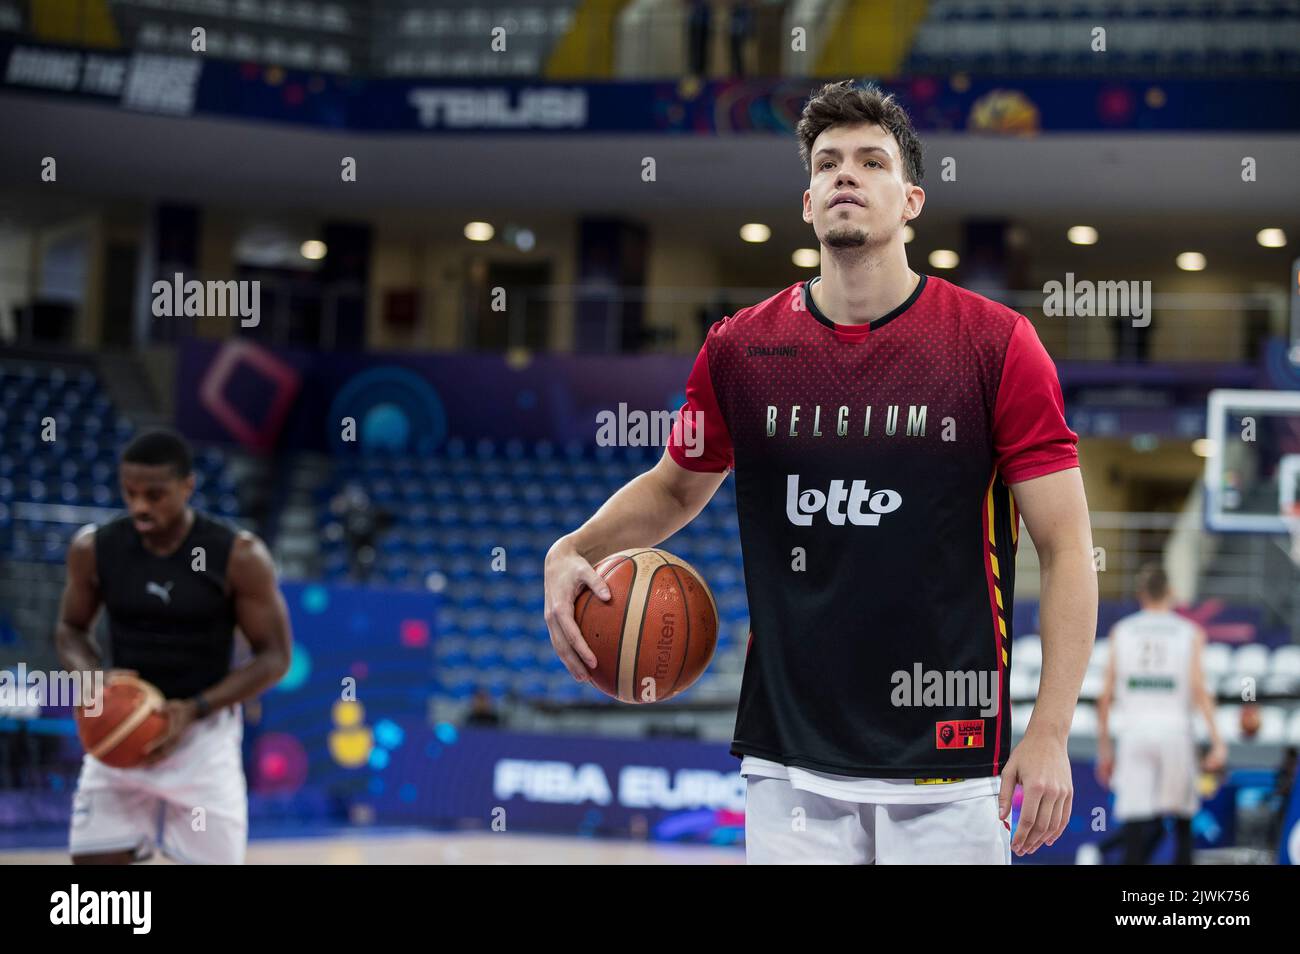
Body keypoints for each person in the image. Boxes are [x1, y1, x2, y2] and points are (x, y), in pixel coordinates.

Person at [545, 81, 1097, 863]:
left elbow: (1069, 545)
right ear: (806, 203)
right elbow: (675, 486)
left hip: (950, 763)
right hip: (789, 767)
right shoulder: (740, 350)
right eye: (828, 162)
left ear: (910, 200)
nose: (846, 174)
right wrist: (576, 545)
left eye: (871, 162)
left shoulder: (995, 345)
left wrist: (1049, 732)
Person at [54, 429, 292, 864]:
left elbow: (275, 656)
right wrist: (92, 680)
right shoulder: (95, 548)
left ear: (187, 487)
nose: (141, 506)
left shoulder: (237, 555)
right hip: (121, 728)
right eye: (130, 493)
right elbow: (70, 628)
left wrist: (195, 707)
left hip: (202, 735)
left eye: (155, 495)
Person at [1096, 563, 1228, 864]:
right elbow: (1198, 688)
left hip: (1134, 733)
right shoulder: (1189, 632)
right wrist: (1218, 741)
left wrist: (1105, 750)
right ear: (1170, 592)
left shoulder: (1122, 631)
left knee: (1134, 823)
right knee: (1182, 820)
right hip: (1175, 731)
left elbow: (1105, 697)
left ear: (1141, 593)